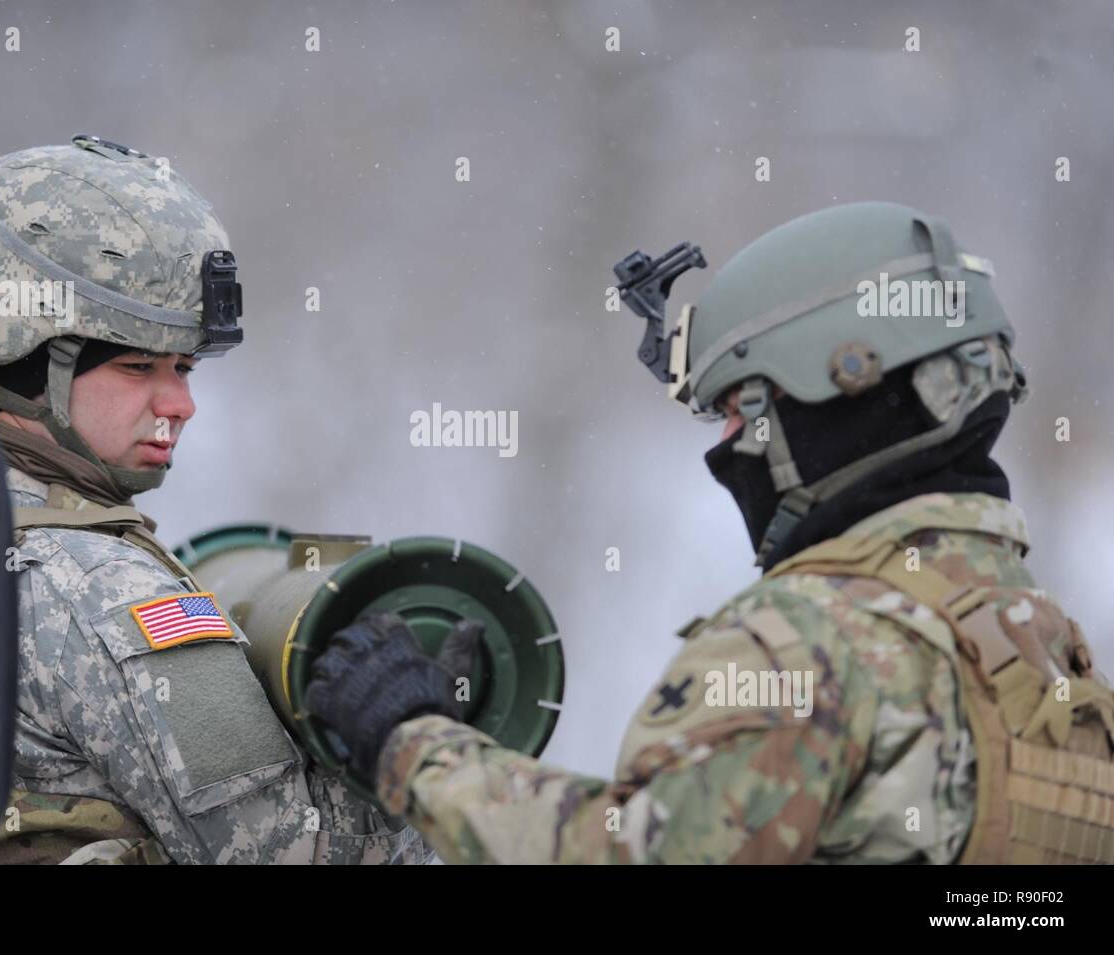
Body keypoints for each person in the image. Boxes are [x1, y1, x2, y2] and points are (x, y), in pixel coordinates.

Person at [305, 201, 1114, 864]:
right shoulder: (1040, 648)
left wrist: (410, 742)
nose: (727, 450)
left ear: (836, 388)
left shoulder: (810, 642)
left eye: (737, 410)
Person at [0, 135, 430, 864]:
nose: (180, 403)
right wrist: (402, 753)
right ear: (23, 356)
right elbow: (294, 856)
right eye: (137, 365)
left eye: (184, 367)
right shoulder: (98, 588)